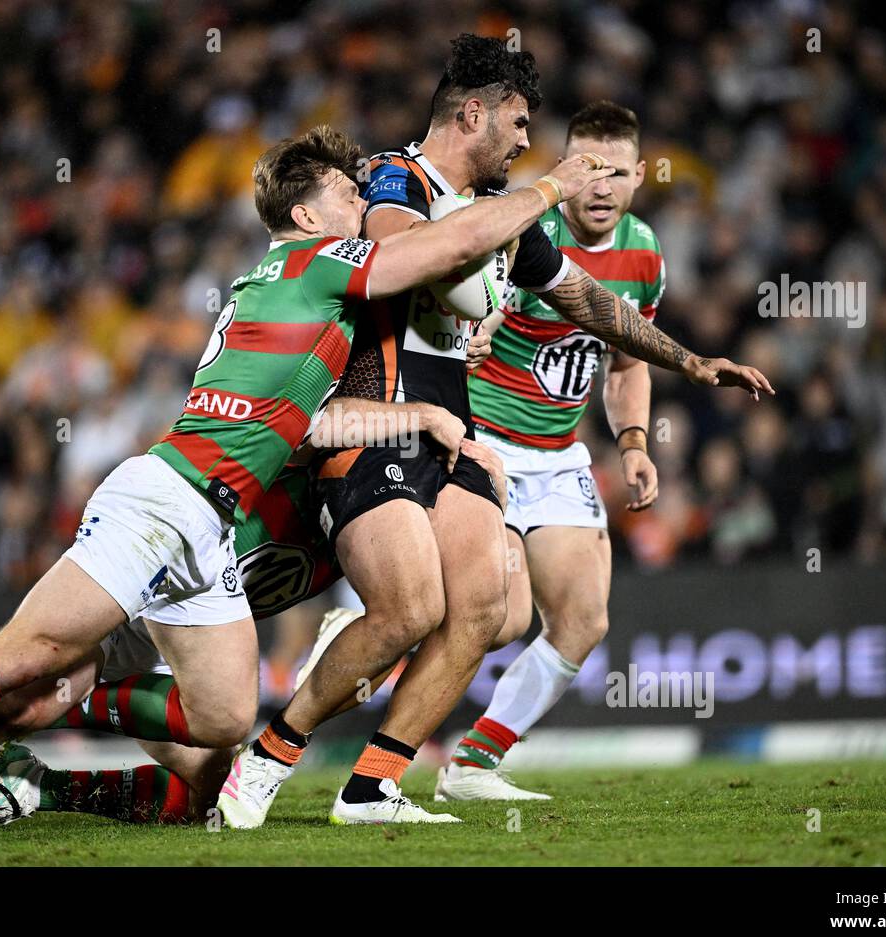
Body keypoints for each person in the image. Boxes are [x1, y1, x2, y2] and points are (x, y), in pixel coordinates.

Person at [0, 123, 618, 846]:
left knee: (214, 733)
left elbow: (317, 421)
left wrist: (426, 421)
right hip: (168, 498)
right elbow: (439, 249)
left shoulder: (320, 300)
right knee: (32, 668)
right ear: (306, 214)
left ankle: (34, 777)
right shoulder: (320, 261)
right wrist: (548, 184)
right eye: (344, 190)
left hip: (215, 537)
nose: (362, 198)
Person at [219, 37, 772, 829]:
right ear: (471, 112)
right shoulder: (392, 176)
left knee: (487, 613)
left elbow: (583, 297)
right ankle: (269, 755)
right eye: (516, 123)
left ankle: (372, 785)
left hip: (455, 427)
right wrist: (546, 190)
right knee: (408, 612)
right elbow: (412, 255)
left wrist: (689, 361)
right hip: (381, 418)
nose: (524, 141)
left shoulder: (510, 208)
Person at [439, 101, 664, 800]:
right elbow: (456, 303)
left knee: (583, 620)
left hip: (559, 451)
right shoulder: (522, 229)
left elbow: (628, 362)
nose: (601, 187)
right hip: (484, 442)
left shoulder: (644, 252)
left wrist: (632, 442)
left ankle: (472, 766)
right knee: (502, 620)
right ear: (566, 167)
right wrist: (465, 336)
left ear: (637, 178)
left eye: (617, 173)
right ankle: (377, 622)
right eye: (588, 170)